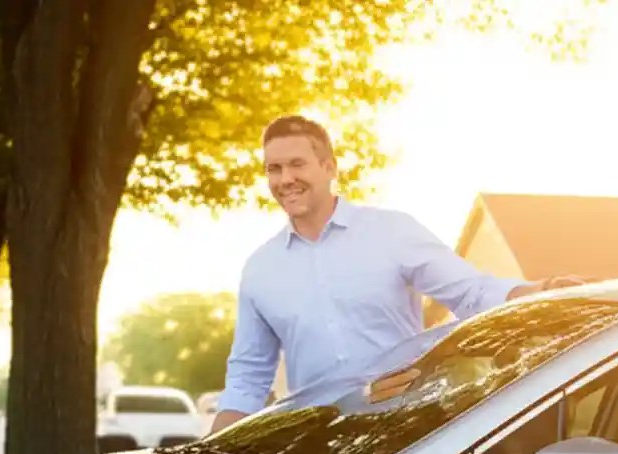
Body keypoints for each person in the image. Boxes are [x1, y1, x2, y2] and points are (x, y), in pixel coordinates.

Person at [210, 114, 587, 433]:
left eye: (296, 164)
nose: (284, 179)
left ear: (329, 167)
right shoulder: (261, 269)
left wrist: (543, 290)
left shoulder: (392, 232)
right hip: (313, 445)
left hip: (406, 432)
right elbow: (247, 378)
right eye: (273, 169)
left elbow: (471, 294)